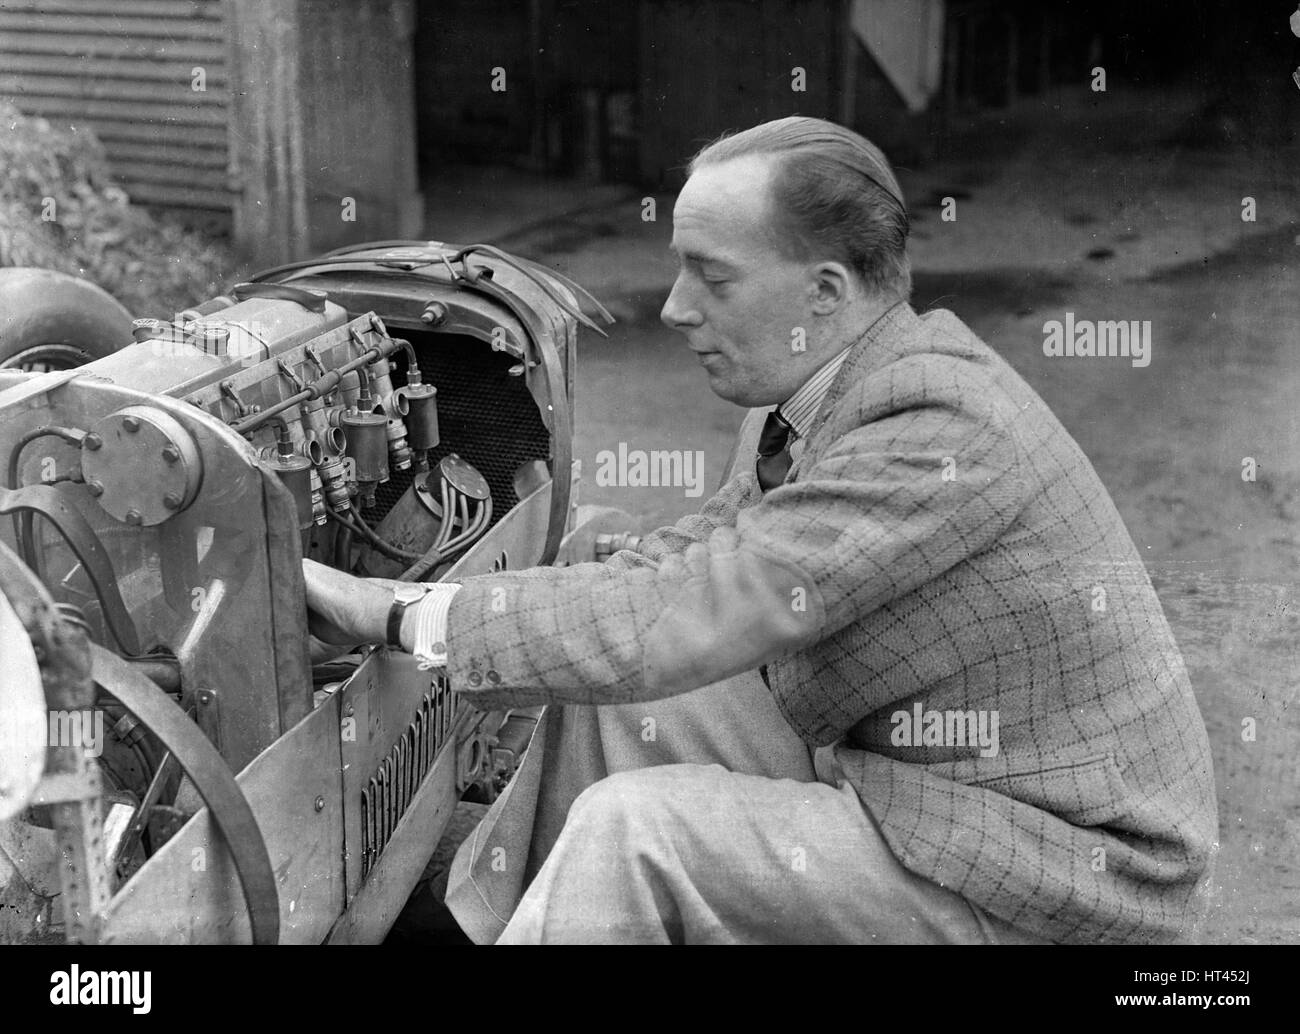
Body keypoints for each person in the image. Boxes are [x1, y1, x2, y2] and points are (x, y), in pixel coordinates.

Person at [303, 116, 1217, 945]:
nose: (673, 306)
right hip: (933, 773)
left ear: (824, 292)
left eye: (713, 274)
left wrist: (394, 613)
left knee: (638, 829)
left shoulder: (935, 421)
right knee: (629, 700)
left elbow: (699, 607)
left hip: (1055, 867)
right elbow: (686, 562)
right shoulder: (826, 387)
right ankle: (484, 927)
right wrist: (488, 597)